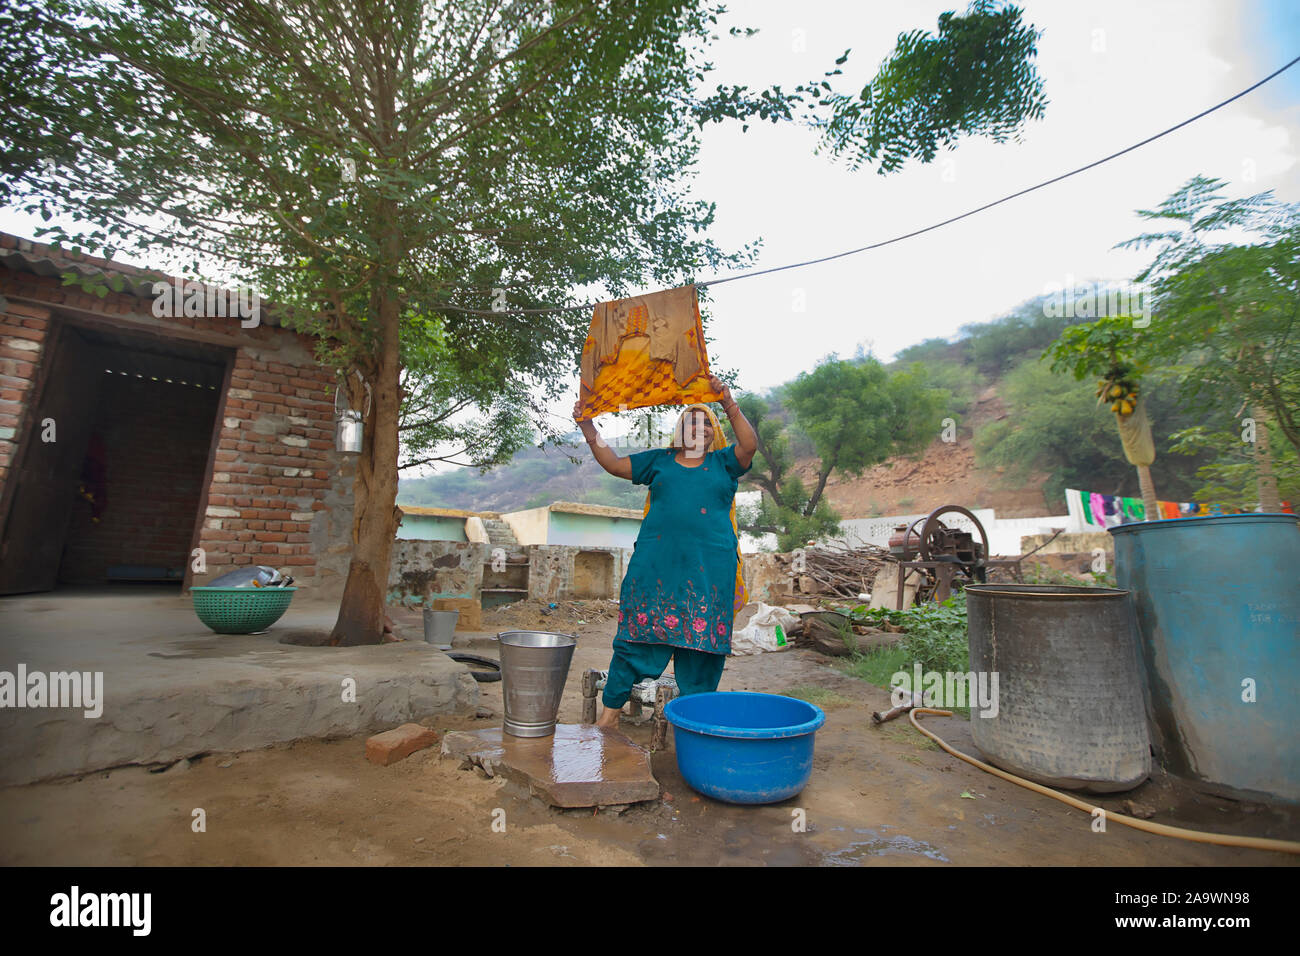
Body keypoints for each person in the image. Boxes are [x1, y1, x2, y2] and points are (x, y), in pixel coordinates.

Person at [572, 375, 758, 729]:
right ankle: (606, 721)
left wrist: (728, 401)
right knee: (634, 642)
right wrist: (587, 426)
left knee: (702, 652)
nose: (698, 427)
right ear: (678, 430)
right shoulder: (659, 461)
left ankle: (694, 729)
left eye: (706, 422)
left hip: (708, 574)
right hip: (656, 570)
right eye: (690, 421)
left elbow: (749, 446)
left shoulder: (724, 463)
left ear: (714, 431)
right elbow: (613, 464)